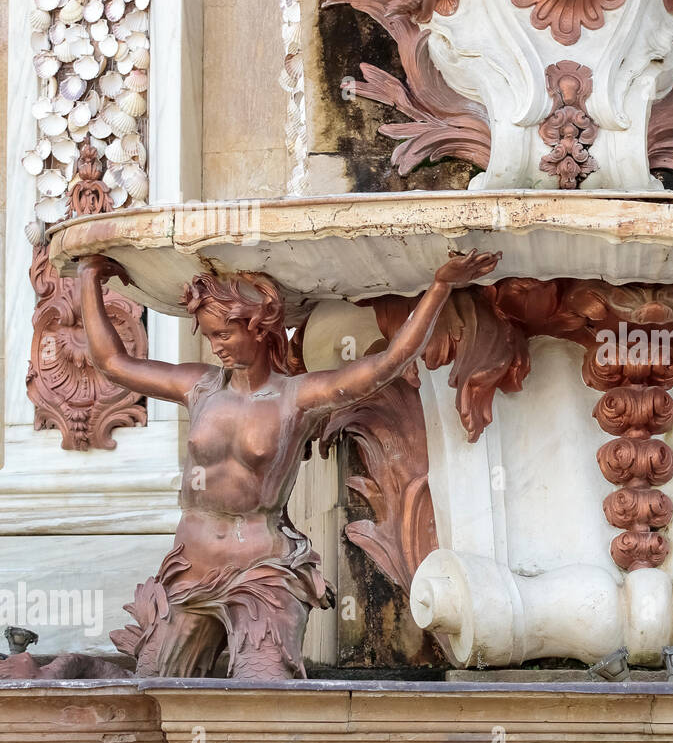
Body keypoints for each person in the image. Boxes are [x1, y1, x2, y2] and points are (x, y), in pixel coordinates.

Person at [76, 250, 501, 679]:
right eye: (209, 336)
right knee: (153, 689)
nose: (216, 345)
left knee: (263, 693)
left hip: (261, 568)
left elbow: (386, 364)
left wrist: (440, 287)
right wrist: (89, 280)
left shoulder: (296, 398)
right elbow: (113, 363)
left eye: (224, 334)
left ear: (259, 328)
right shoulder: (200, 387)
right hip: (190, 566)